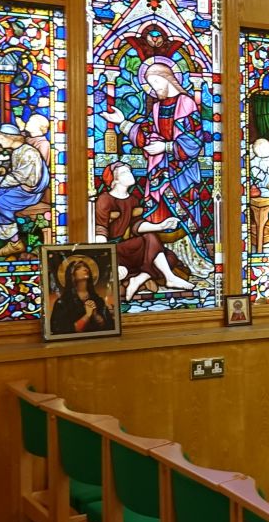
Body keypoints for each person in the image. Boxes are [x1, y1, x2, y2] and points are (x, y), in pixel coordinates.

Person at [100, 58, 210, 277]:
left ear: (166, 79)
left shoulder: (186, 103)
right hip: (159, 172)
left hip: (182, 173)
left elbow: (194, 141)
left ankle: (189, 261)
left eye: (155, 82)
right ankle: (163, 267)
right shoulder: (158, 107)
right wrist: (122, 123)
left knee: (183, 215)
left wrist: (166, 146)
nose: (153, 88)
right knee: (158, 217)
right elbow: (147, 135)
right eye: (149, 84)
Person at [93, 161, 194, 301]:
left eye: (129, 171)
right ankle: (169, 278)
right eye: (124, 172)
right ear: (115, 180)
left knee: (169, 257)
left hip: (131, 249)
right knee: (151, 240)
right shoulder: (105, 199)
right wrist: (109, 261)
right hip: (116, 250)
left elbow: (137, 226)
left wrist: (161, 226)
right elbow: (100, 230)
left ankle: (139, 279)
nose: (130, 174)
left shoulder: (133, 200)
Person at [0, 124, 49, 256]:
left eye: (1, 138)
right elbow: (17, 174)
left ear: (11, 138)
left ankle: (15, 243)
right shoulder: (17, 151)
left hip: (29, 192)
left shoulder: (29, 153)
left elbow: (20, 177)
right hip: (19, 188)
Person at [49, 254, 114, 336]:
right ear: (72, 274)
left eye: (85, 267)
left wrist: (95, 315)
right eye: (79, 268)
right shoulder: (63, 303)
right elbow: (61, 330)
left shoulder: (98, 300)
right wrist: (87, 315)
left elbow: (109, 327)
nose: (85, 269)